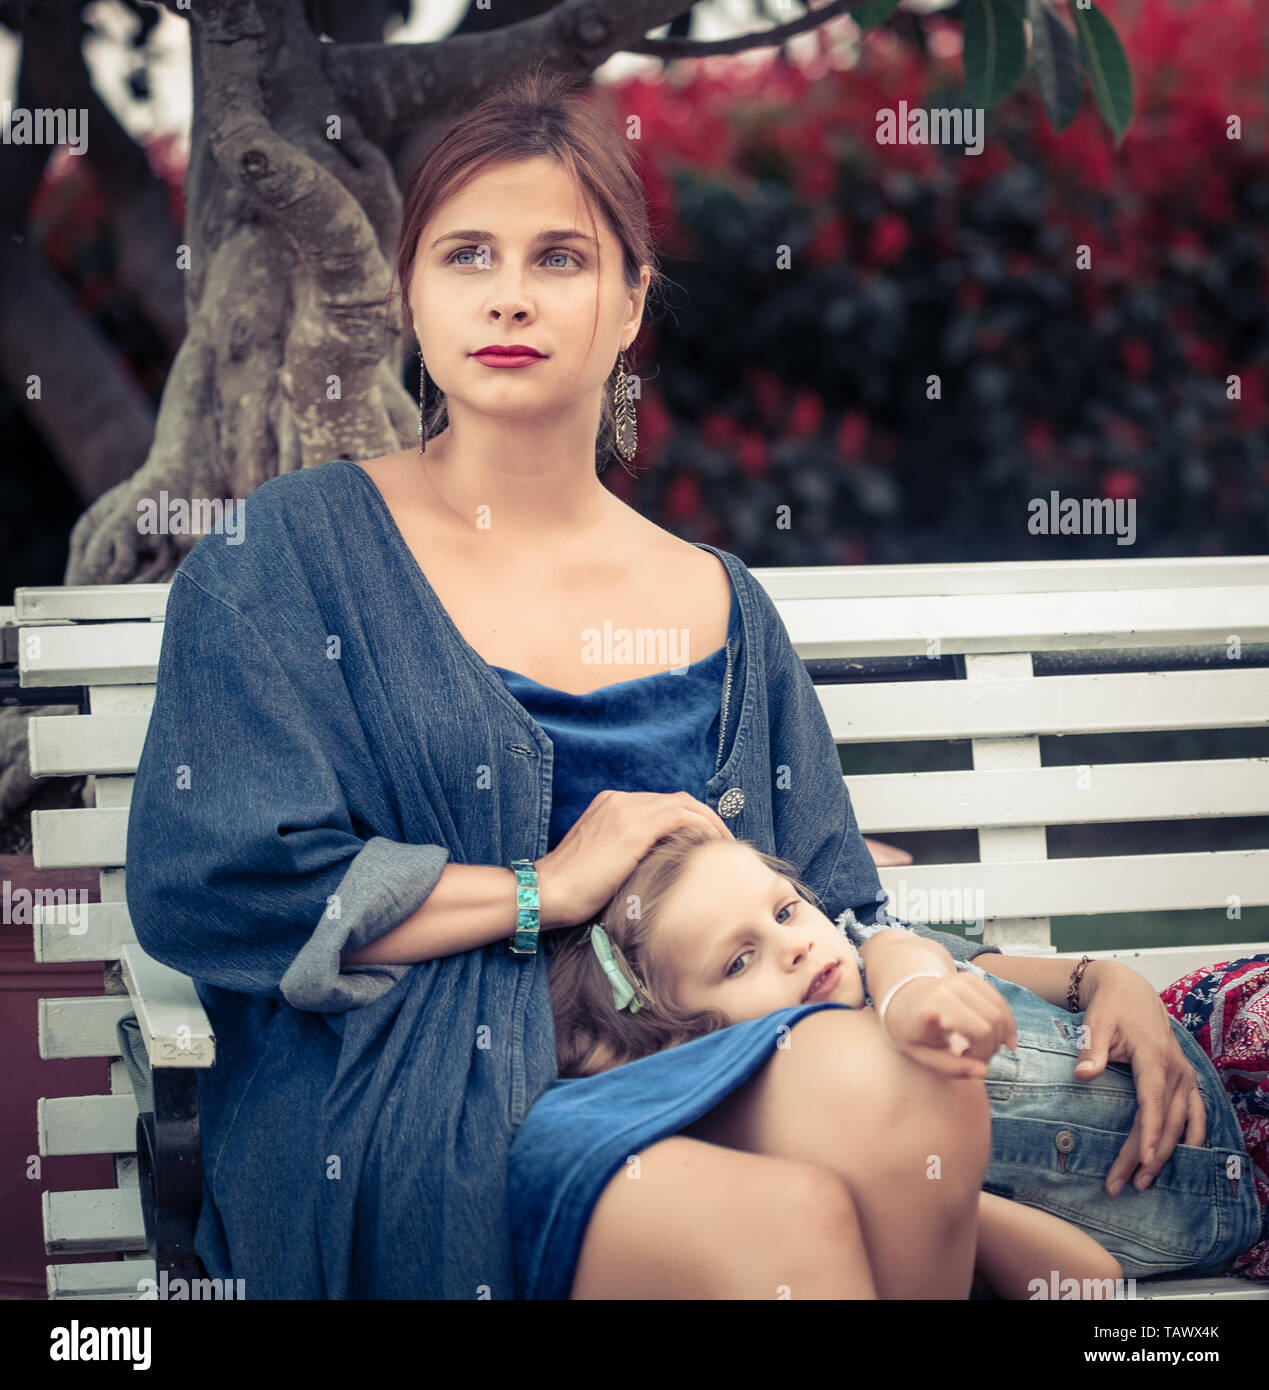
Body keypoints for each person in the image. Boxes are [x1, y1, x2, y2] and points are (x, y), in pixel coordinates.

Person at [124, 64, 1263, 1299]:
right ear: (409, 294)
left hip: (721, 1063)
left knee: (892, 1088)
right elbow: (218, 885)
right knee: (783, 1236)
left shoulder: (721, 601)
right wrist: (538, 888)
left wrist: (1093, 975)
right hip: (411, 1093)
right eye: (466, 256)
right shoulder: (288, 558)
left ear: (628, 304)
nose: (509, 295)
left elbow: (840, 911)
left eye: (560, 257)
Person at [512, 822, 1269, 1297]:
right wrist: (939, 1199)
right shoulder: (846, 1171)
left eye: (784, 910)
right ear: (689, 1047)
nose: (795, 943)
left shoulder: (881, 972)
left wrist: (1112, 980)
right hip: (1241, 1219)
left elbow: (903, 957)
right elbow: (1093, 1286)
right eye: (739, 962)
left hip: (1216, 1039)